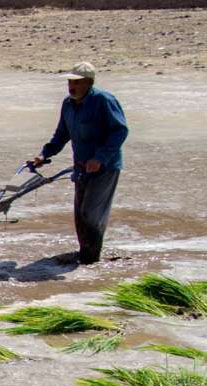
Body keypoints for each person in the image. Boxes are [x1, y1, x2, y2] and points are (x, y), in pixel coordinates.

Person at [30, 61, 129, 265]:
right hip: (81, 167)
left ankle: (90, 259)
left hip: (105, 168)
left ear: (89, 83)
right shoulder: (68, 104)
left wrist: (100, 158)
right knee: (79, 214)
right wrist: (44, 154)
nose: (71, 86)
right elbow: (61, 134)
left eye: (76, 82)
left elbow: (120, 131)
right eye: (69, 82)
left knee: (91, 213)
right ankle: (86, 256)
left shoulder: (103, 101)